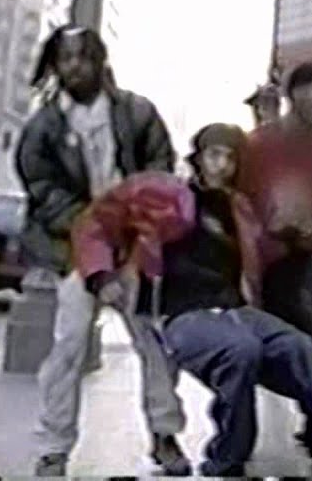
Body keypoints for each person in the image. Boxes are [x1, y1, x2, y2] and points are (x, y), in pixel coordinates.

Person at [71, 124, 312, 477]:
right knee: (236, 351)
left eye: (230, 157)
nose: (222, 165)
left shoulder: (241, 209)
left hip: (236, 310)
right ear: (198, 157)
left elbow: (262, 256)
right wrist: (101, 275)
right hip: (178, 312)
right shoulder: (164, 192)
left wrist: (296, 236)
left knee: (303, 350)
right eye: (214, 155)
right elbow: (98, 222)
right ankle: (225, 455)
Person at [15, 25, 187, 477]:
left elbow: (160, 172)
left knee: (152, 341)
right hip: (73, 248)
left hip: (132, 246)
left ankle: (165, 435)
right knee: (69, 343)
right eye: (66, 58)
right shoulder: (44, 126)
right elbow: (42, 189)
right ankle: (54, 447)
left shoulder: (136, 113)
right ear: (55, 65)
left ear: (100, 61)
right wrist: (91, 230)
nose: (75, 66)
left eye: (83, 57)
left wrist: (133, 224)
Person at [237, 61, 312, 460]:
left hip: (303, 260)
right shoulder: (257, 145)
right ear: (295, 95)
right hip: (262, 260)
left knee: (309, 343)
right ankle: (237, 433)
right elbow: (238, 199)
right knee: (250, 349)